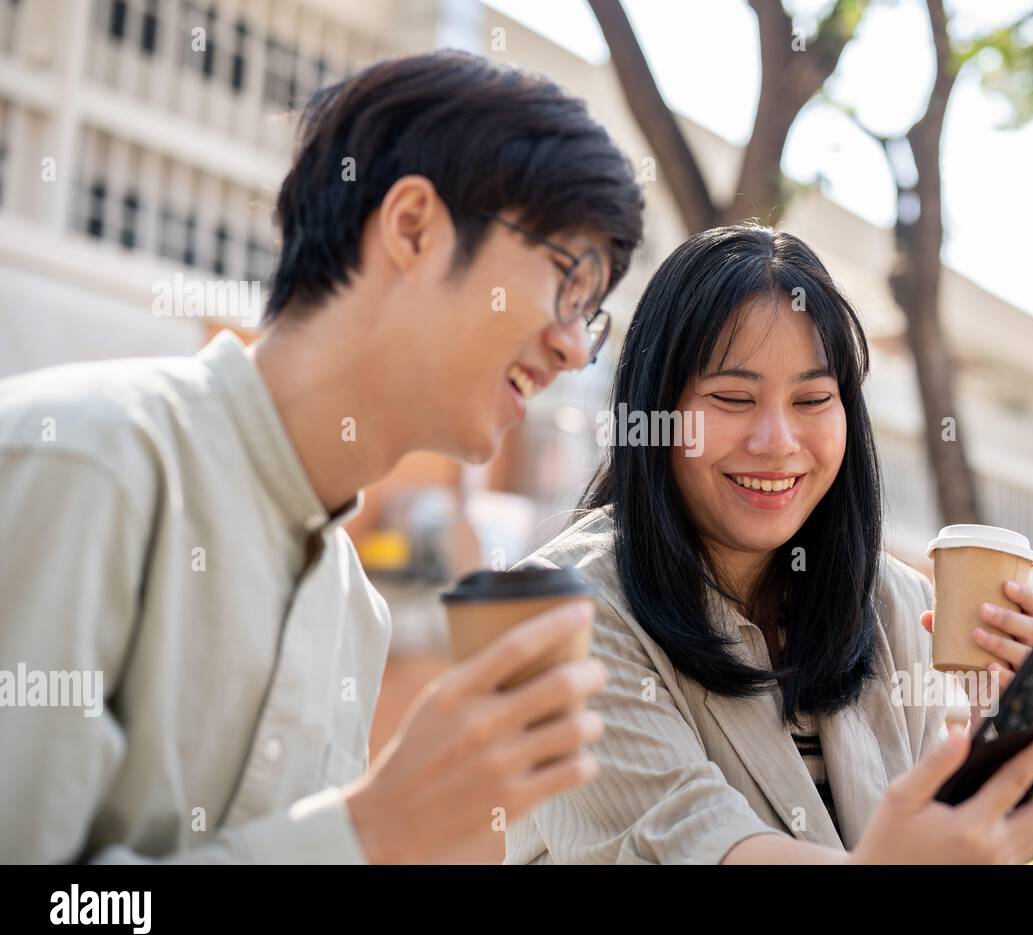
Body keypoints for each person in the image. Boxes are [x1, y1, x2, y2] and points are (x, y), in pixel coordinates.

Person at [0, 50, 643, 864]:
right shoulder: (85, 468)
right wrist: (368, 833)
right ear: (412, 227)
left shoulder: (352, 609)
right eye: (566, 280)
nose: (571, 349)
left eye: (591, 317)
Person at [505, 225, 1033, 864]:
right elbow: (691, 847)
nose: (777, 441)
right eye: (732, 398)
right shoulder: (558, 609)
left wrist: (1000, 740)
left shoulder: (897, 604)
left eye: (812, 399)